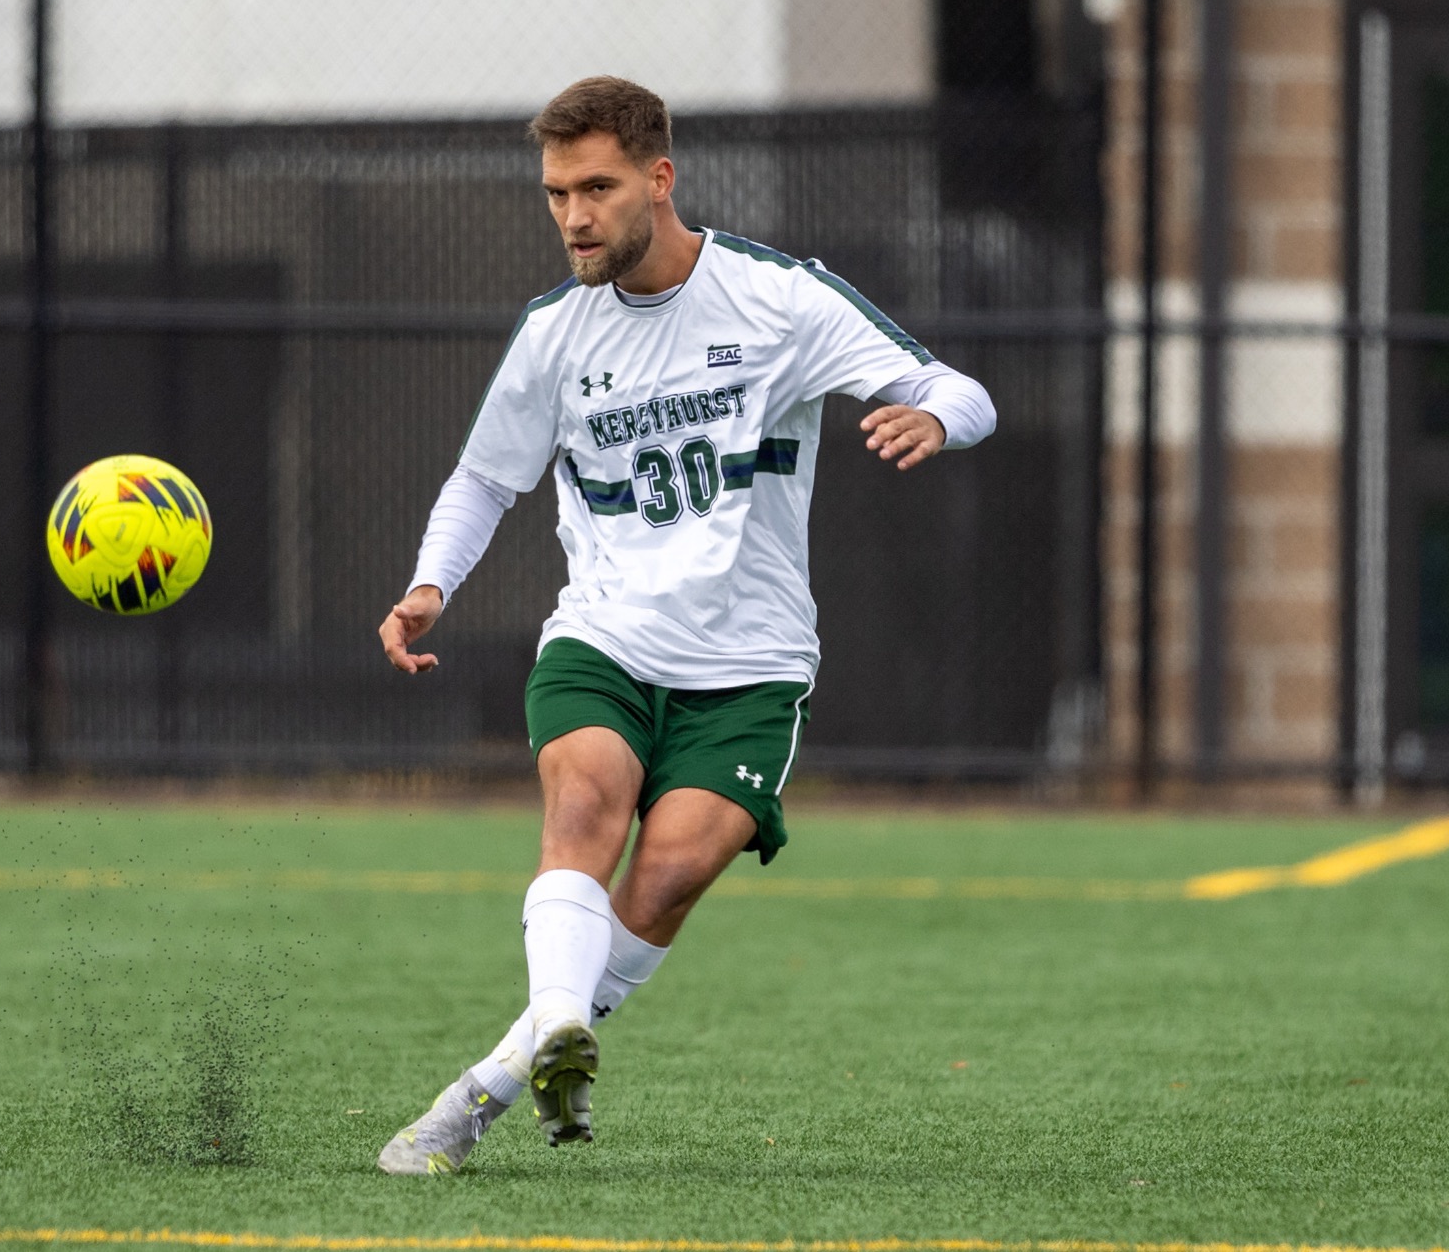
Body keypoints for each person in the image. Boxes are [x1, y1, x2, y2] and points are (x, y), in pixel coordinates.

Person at [374, 76, 996, 1175]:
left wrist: (933, 417)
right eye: (556, 192)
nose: (573, 215)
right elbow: (481, 481)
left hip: (749, 665)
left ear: (658, 180)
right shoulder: (553, 334)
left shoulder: (778, 300)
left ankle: (494, 1080)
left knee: (662, 880)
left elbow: (961, 386)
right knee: (583, 799)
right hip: (603, 637)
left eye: (597, 187)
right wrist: (430, 585)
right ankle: (559, 1027)